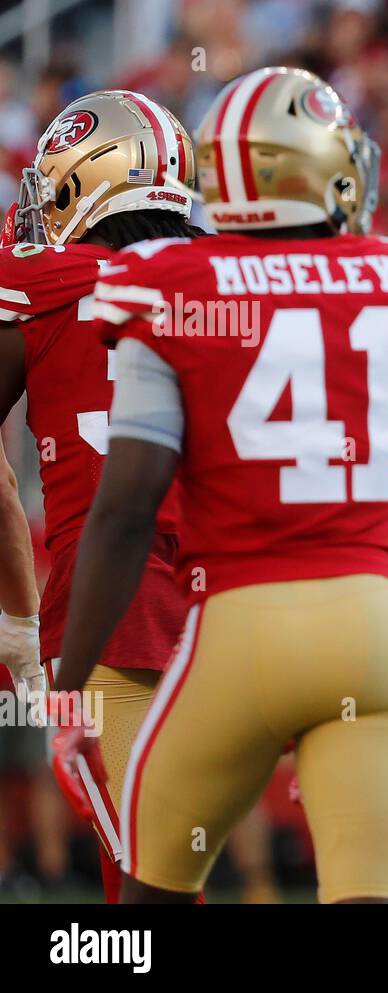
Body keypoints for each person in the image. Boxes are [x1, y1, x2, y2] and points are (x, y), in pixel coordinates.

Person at [53, 66, 388, 904]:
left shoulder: (168, 284)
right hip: (369, 624)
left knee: (149, 898)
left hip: (235, 627)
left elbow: (124, 514)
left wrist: (68, 682)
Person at [0, 89, 198, 902]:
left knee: (144, 890)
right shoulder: (231, 278)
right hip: (258, 603)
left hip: (114, 619)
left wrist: (17, 615)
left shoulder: (38, 280)